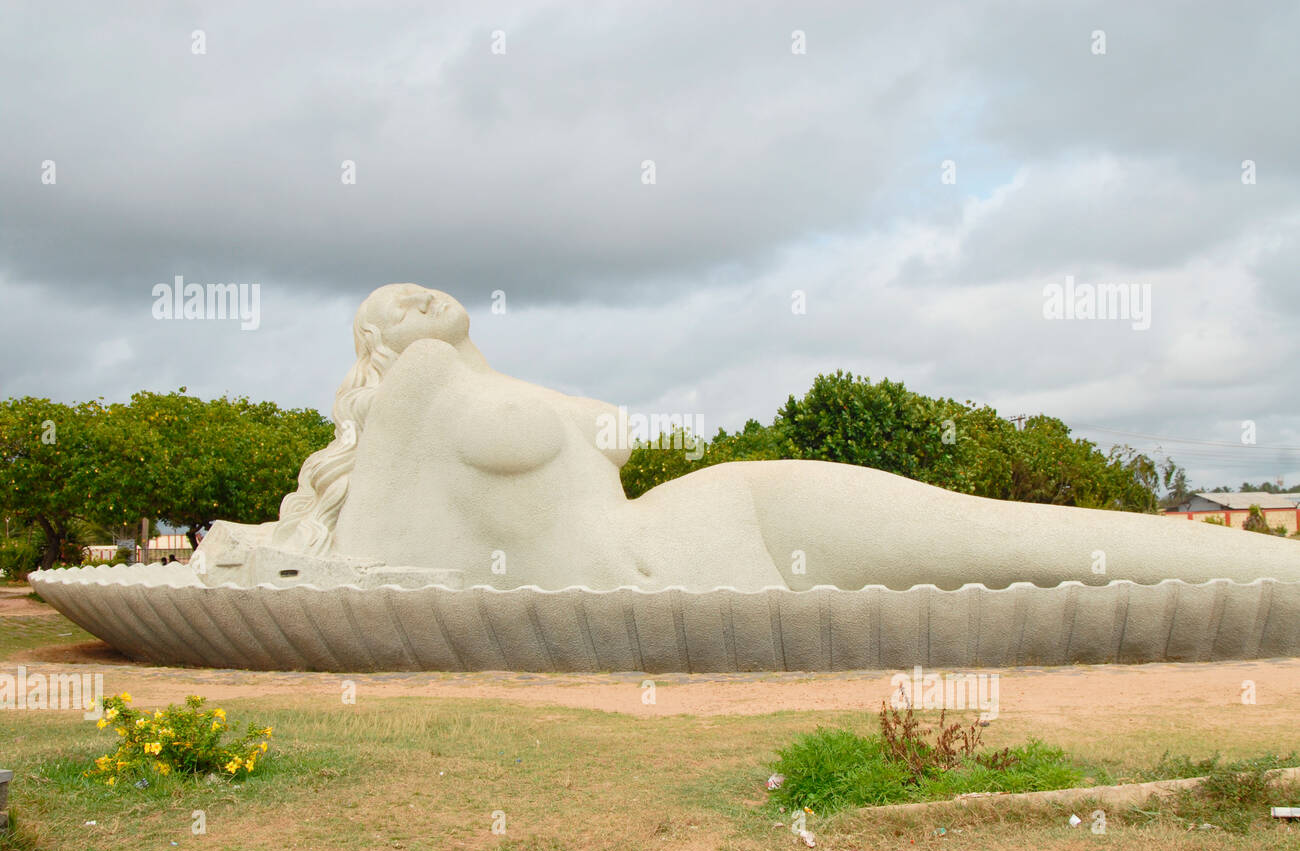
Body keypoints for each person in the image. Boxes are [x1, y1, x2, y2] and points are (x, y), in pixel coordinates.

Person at [268, 284, 1300, 592]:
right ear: (369, 340)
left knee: (1016, 537)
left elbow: (608, 434)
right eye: (395, 302)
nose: (421, 297)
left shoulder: (467, 388)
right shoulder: (417, 402)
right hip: (693, 554)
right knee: (1012, 544)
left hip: (711, 523)